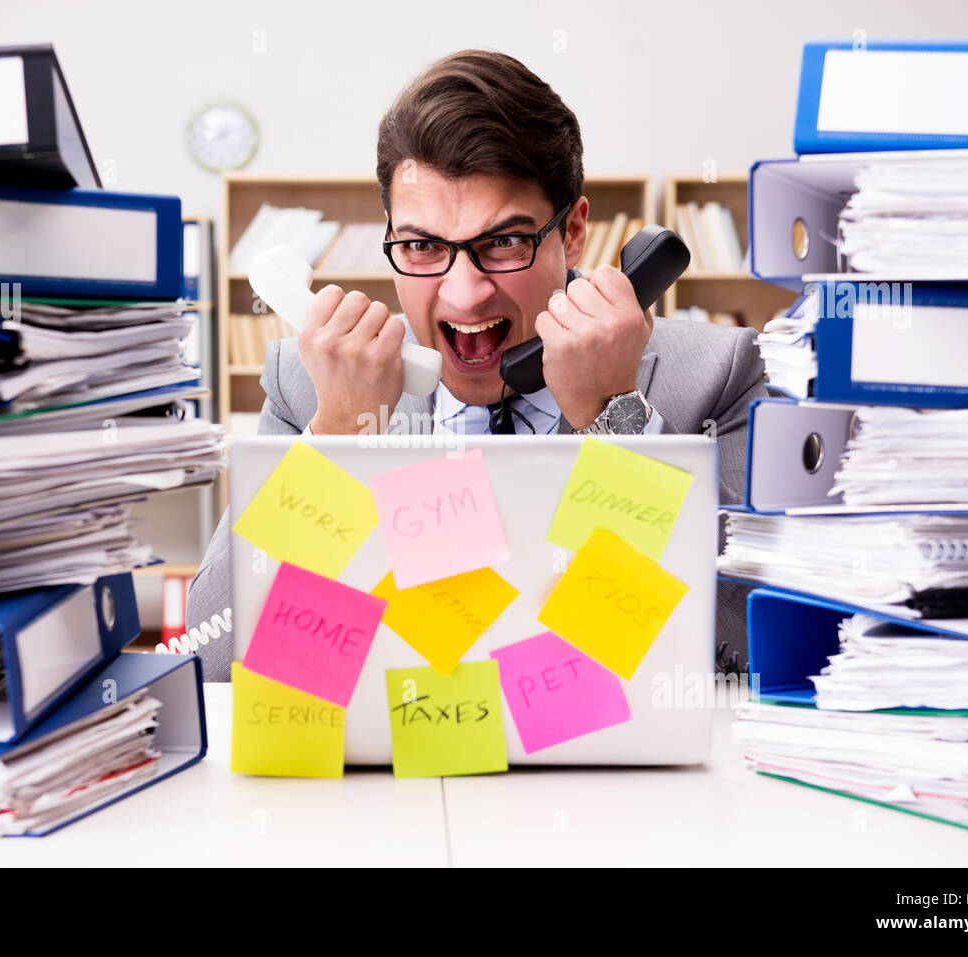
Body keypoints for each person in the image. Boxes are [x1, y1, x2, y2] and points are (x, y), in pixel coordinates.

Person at [186, 48, 768, 681]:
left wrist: (613, 422)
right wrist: (339, 441)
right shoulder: (308, 388)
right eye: (422, 245)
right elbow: (217, 665)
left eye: (505, 242)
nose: (465, 295)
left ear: (573, 234)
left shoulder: (716, 375)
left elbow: (745, 660)